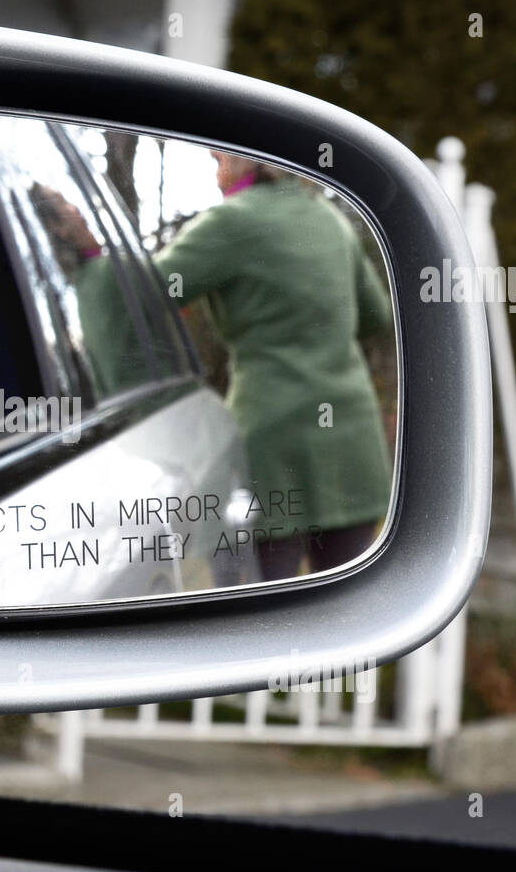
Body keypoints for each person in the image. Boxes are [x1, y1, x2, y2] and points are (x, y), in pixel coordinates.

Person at [152, 151, 394, 580]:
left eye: (219, 158)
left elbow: (141, 297)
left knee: (269, 607)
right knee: (346, 608)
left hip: (271, 440)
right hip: (351, 441)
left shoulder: (229, 223)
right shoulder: (331, 222)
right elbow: (377, 314)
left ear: (247, 163)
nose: (214, 169)